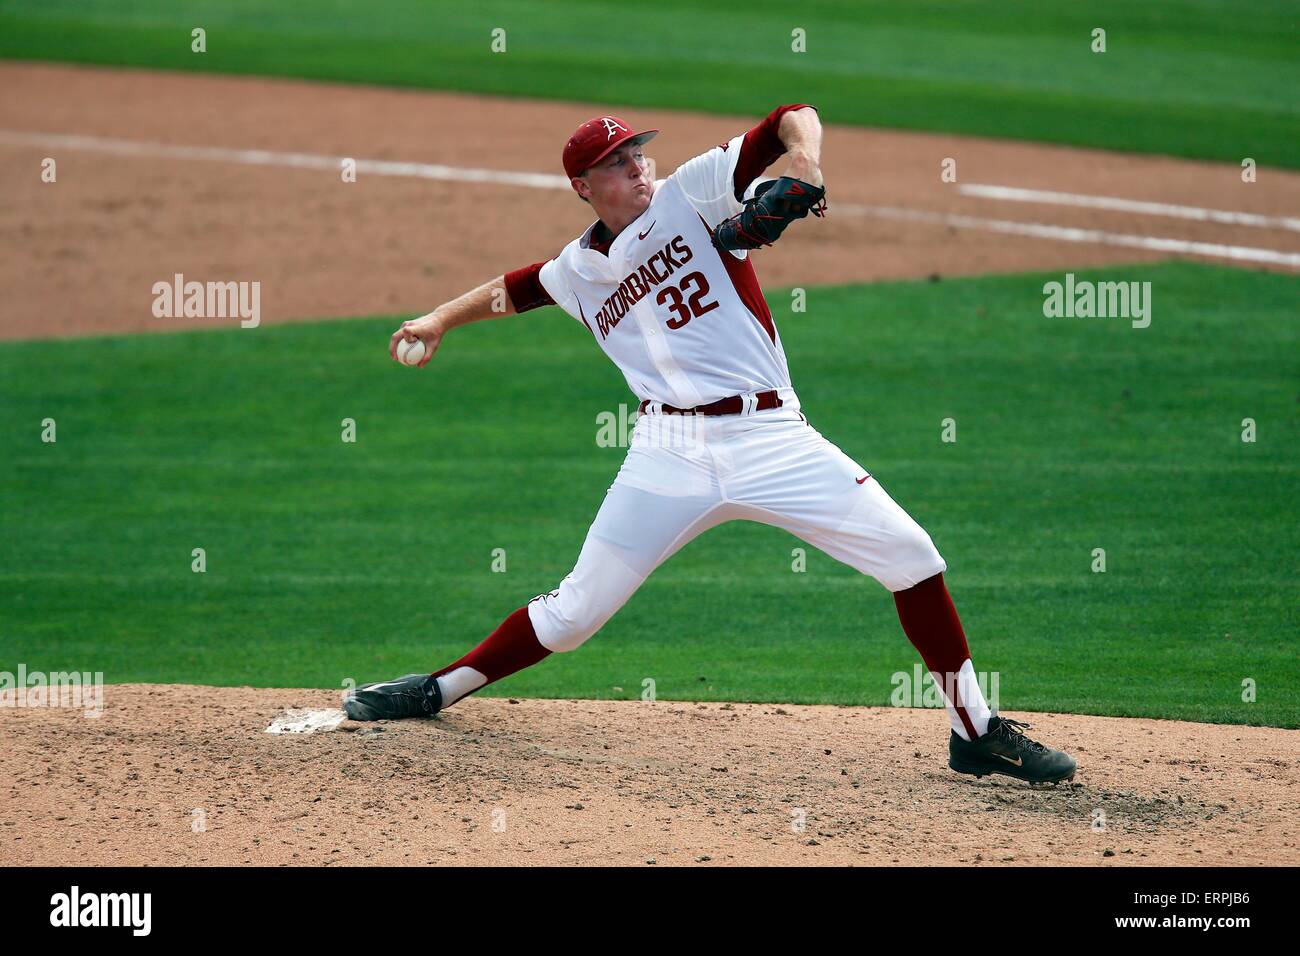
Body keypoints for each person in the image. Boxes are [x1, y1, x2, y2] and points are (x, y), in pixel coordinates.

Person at [344, 106, 1076, 785]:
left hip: (772, 438)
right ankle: (438, 689)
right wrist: (439, 317)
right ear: (582, 186)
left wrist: (807, 162)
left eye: (636, 152)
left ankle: (973, 730)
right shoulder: (578, 269)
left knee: (914, 558)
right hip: (668, 453)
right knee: (573, 616)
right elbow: (520, 287)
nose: (636, 168)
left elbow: (794, 117)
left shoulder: (692, 192)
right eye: (616, 162)